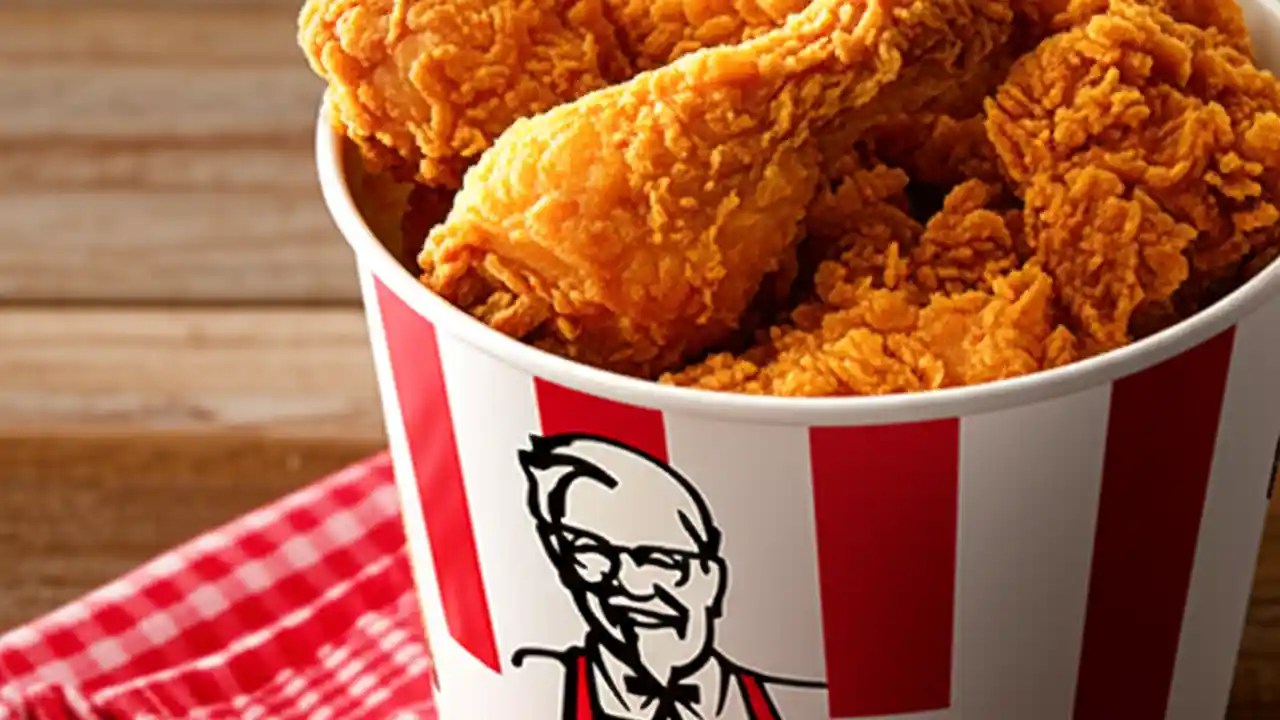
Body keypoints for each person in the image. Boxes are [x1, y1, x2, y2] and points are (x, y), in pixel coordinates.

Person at [514, 434, 825, 720]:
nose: (632, 585)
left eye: (662, 560)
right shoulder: (535, 682)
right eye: (593, 554)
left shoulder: (795, 701)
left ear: (711, 579)